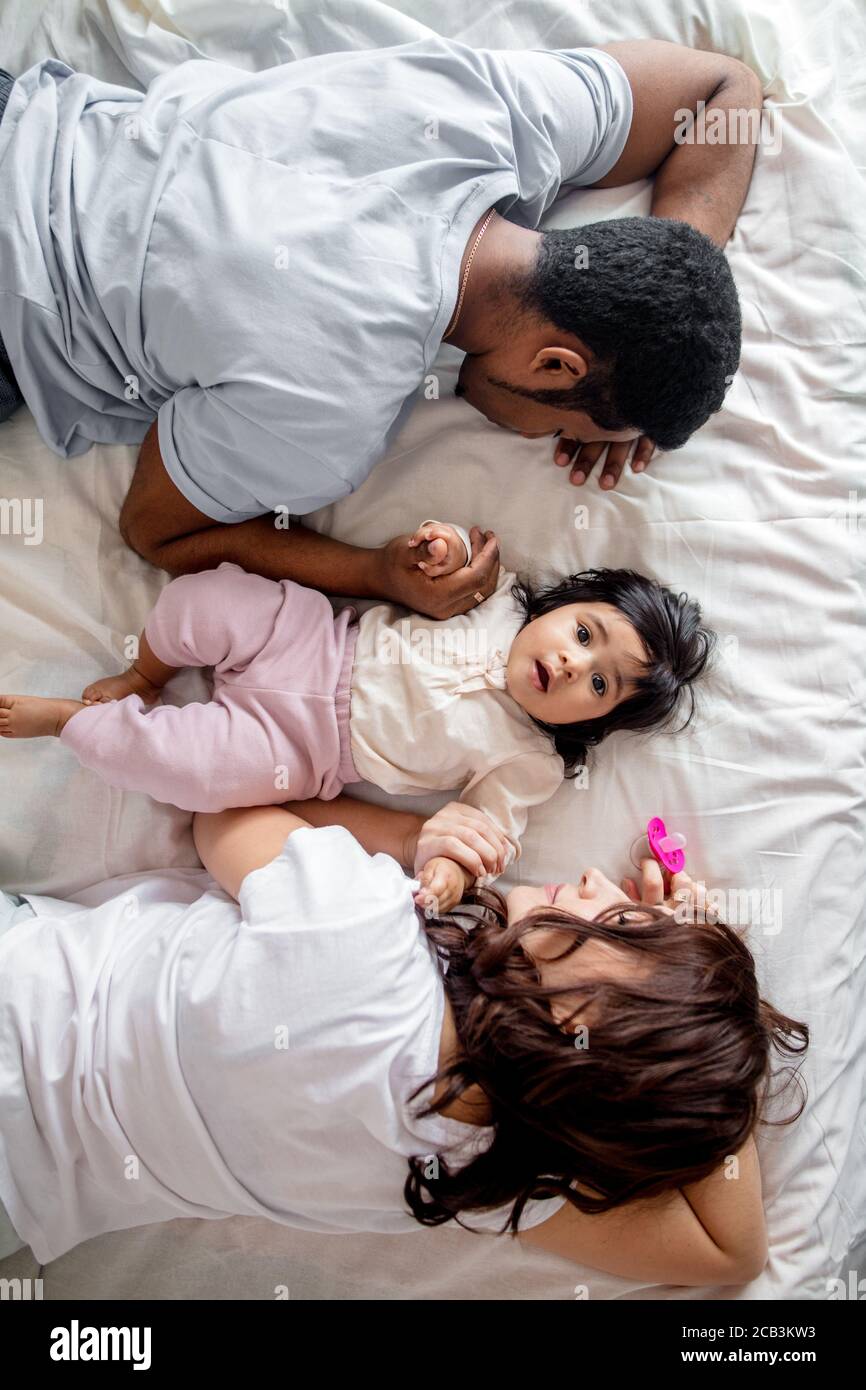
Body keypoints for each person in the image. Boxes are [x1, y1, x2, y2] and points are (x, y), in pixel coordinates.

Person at [0, 40, 761, 616]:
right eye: (577, 427)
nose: (549, 440)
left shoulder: (494, 109)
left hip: (25, 118)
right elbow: (155, 531)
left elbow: (725, 89)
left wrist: (668, 300)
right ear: (557, 366)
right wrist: (374, 577)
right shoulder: (328, 410)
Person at [0, 796, 807, 1284]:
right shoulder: (476, 1181)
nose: (601, 883)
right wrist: (703, 1071)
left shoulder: (359, 924)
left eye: (623, 923)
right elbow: (730, 1250)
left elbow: (224, 818)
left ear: (579, 1026)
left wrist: (418, 834)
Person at [0, 522, 713, 908]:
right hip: (311, 641)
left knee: (186, 773)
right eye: (584, 636)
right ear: (562, 606)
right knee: (208, 597)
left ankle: (68, 722)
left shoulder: (532, 761)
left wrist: (453, 870)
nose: (570, 665)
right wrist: (445, 547)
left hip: (298, 751)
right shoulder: (504, 598)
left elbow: (485, 827)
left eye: (599, 686)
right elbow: (463, 560)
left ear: (593, 722)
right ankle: (144, 674)